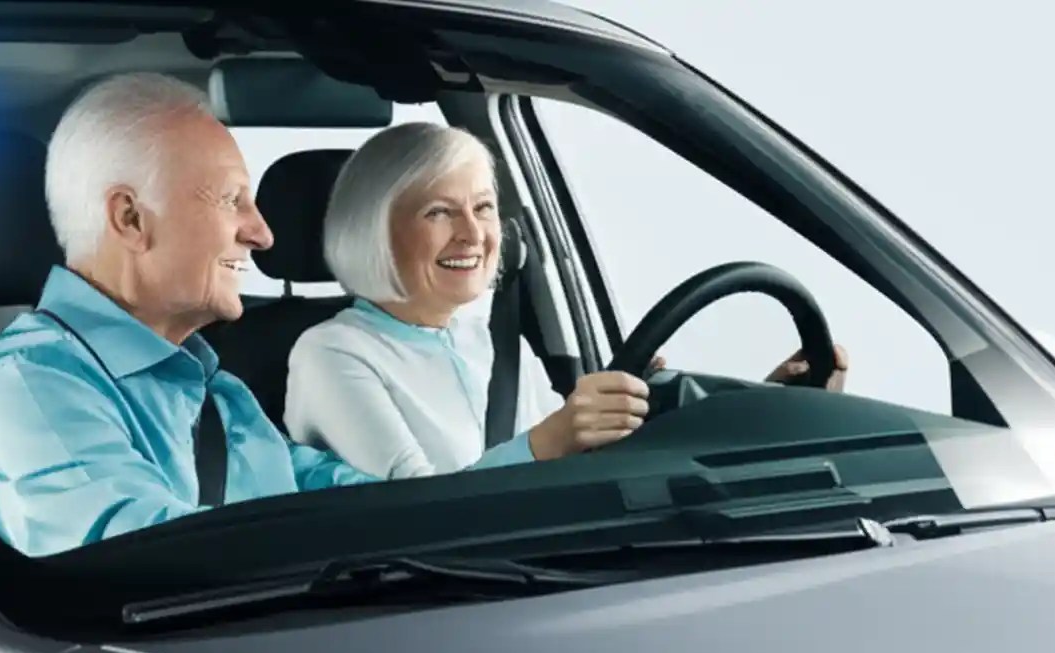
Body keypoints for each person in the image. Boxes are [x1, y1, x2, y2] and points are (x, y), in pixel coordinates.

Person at [0, 73, 381, 558]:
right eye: (231, 200)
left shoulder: (210, 387)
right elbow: (152, 561)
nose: (262, 234)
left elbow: (325, 491)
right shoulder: (25, 387)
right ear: (130, 219)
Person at [283, 123, 848, 480]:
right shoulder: (332, 353)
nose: (473, 234)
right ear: (373, 232)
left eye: (483, 208)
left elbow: (578, 461)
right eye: (439, 212)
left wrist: (765, 407)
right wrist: (549, 440)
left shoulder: (490, 340)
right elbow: (411, 512)